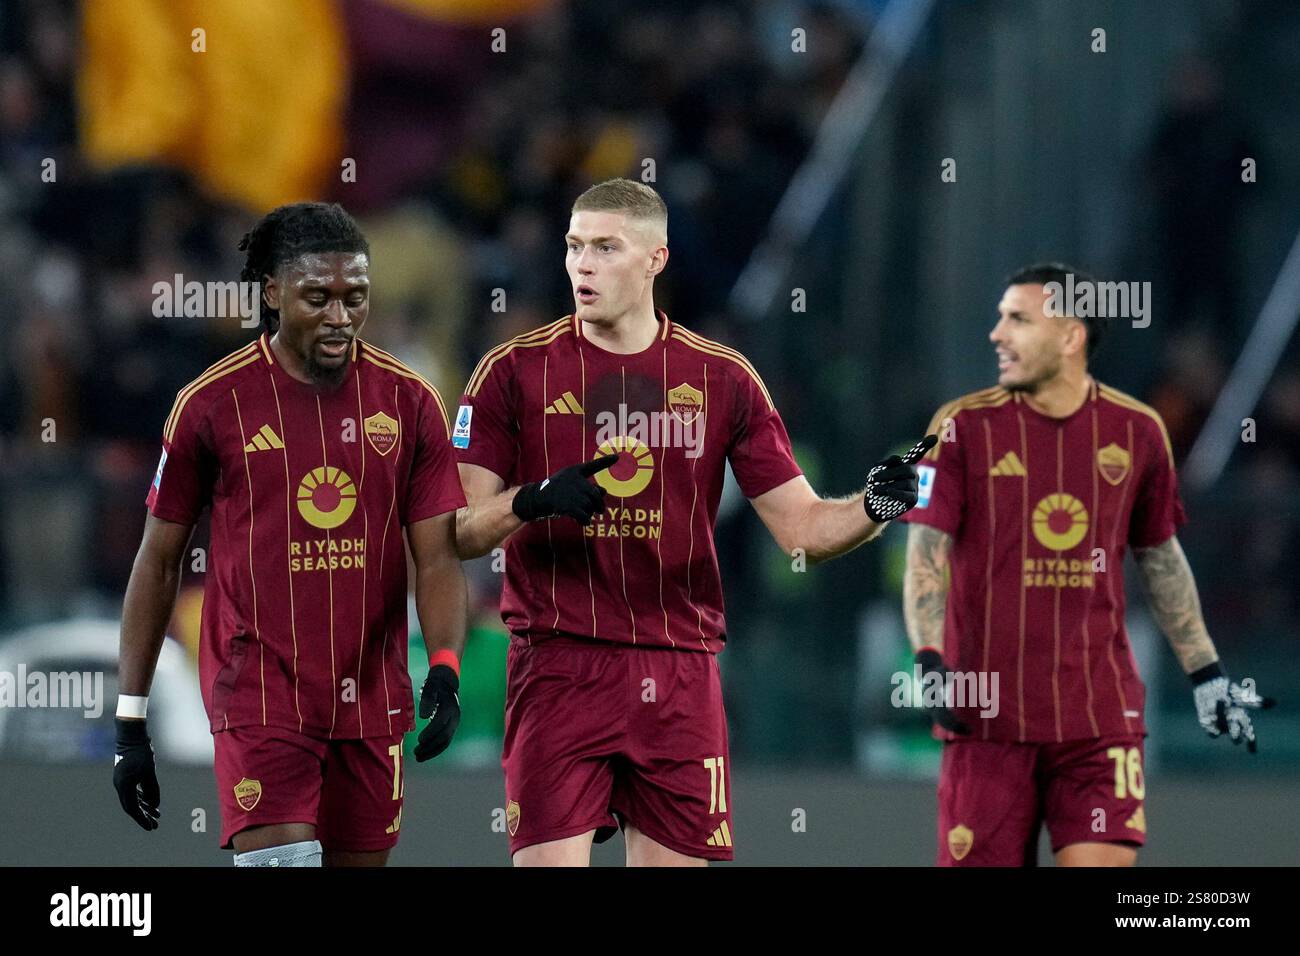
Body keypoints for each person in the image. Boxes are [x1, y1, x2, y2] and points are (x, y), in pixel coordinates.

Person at [453, 178, 932, 866]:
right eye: (574, 247)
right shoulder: (512, 372)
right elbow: (461, 528)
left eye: (606, 248)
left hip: (678, 673)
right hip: (559, 667)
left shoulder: (722, 379)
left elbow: (803, 530)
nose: (582, 265)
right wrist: (531, 500)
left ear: (656, 259)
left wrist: (874, 506)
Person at [113, 202, 469, 866]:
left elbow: (438, 555)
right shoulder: (212, 405)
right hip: (259, 689)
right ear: (273, 292)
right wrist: (130, 721)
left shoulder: (410, 401)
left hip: (370, 696)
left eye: (355, 297)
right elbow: (158, 562)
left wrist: (444, 668)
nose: (340, 316)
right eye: (319, 297)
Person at [900, 262, 1274, 867]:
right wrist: (929, 660)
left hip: (1098, 720)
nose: (997, 334)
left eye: (1017, 319)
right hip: (986, 719)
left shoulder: (1140, 431)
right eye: (999, 318)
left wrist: (1206, 673)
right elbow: (924, 550)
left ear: (1071, 336)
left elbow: (1161, 558)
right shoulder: (957, 426)